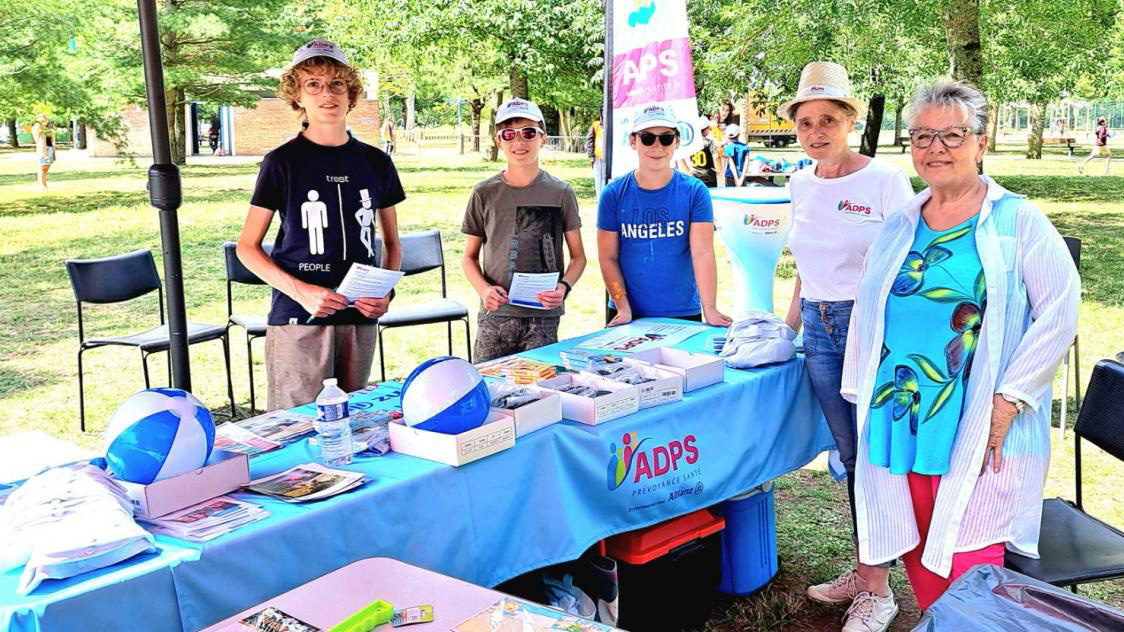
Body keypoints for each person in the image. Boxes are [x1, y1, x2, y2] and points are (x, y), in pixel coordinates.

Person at [843, 80, 1079, 621]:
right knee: (918, 537)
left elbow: (1060, 312)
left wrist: (1009, 400)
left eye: (952, 134)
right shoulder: (904, 219)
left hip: (976, 416)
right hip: (902, 407)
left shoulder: (1017, 221)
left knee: (969, 550)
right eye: (922, 135)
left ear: (981, 142)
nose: (936, 148)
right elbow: (872, 307)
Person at [776, 61, 915, 632]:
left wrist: (887, 335)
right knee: (851, 457)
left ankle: (879, 591)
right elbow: (807, 267)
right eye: (806, 122)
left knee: (877, 457)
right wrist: (787, 329)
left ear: (851, 121)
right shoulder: (800, 182)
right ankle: (866, 573)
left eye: (827, 119)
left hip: (872, 329)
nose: (815, 132)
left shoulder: (884, 182)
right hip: (820, 329)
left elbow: (909, 265)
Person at [236, 38, 405, 410]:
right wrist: (301, 291)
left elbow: (391, 243)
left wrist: (386, 293)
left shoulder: (377, 163)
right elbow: (247, 247)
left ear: (351, 93)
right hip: (301, 317)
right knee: (296, 424)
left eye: (336, 84)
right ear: (297, 95)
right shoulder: (282, 162)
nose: (326, 94)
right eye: (313, 84)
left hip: (359, 316)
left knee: (351, 420)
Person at [462, 98, 587, 362]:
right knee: (490, 387)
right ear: (499, 141)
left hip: (543, 316)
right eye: (509, 134)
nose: (519, 142)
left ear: (543, 138)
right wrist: (484, 291)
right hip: (496, 314)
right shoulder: (484, 192)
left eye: (529, 133)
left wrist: (563, 288)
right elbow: (468, 257)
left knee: (538, 391)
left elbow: (579, 257)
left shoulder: (561, 192)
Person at [597, 104, 731, 327]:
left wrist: (710, 309)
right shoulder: (613, 194)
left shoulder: (695, 192)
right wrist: (622, 305)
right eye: (647, 138)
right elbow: (607, 257)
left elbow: (703, 253)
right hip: (627, 313)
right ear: (633, 141)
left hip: (682, 311)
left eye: (666, 138)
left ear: (677, 141)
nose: (657, 146)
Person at [685, 116, 719, 188]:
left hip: (695, 177)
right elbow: (716, 157)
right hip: (709, 177)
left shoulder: (692, 143)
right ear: (705, 129)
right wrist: (719, 170)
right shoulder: (709, 142)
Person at [31, 116, 55, 192]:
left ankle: (44, 184)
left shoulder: (47, 129)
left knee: (46, 167)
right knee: (42, 167)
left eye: (45, 119)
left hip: (49, 148)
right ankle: (42, 185)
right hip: (43, 149)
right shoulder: (37, 127)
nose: (45, 120)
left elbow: (52, 137)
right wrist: (41, 124)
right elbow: (37, 133)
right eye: (43, 119)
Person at [586, 116, 606, 198]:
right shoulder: (596, 125)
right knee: (599, 182)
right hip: (598, 158)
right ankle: (600, 201)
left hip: (609, 158)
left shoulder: (614, 123)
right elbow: (590, 140)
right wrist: (591, 156)